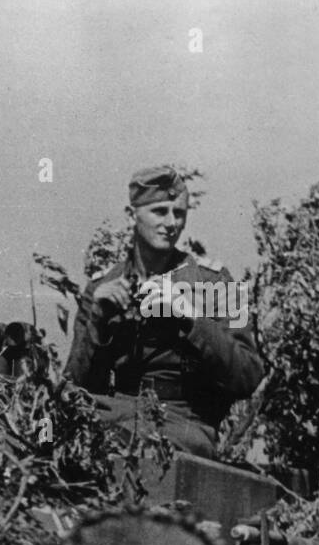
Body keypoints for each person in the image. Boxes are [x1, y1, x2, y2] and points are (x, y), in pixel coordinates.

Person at [64, 166, 263, 458]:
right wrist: (98, 321)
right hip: (115, 414)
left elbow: (248, 375)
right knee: (56, 424)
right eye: (159, 212)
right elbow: (75, 386)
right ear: (132, 215)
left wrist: (189, 316)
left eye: (179, 213)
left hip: (183, 423)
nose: (171, 223)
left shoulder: (214, 282)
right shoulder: (101, 287)